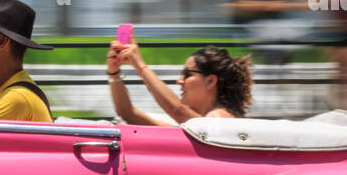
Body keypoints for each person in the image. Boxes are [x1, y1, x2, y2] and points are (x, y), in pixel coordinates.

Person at [107, 37, 252, 126]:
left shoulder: (218, 118)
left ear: (210, 81)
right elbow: (128, 114)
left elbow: (177, 110)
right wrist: (114, 72)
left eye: (187, 74)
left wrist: (140, 66)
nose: (179, 81)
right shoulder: (197, 123)